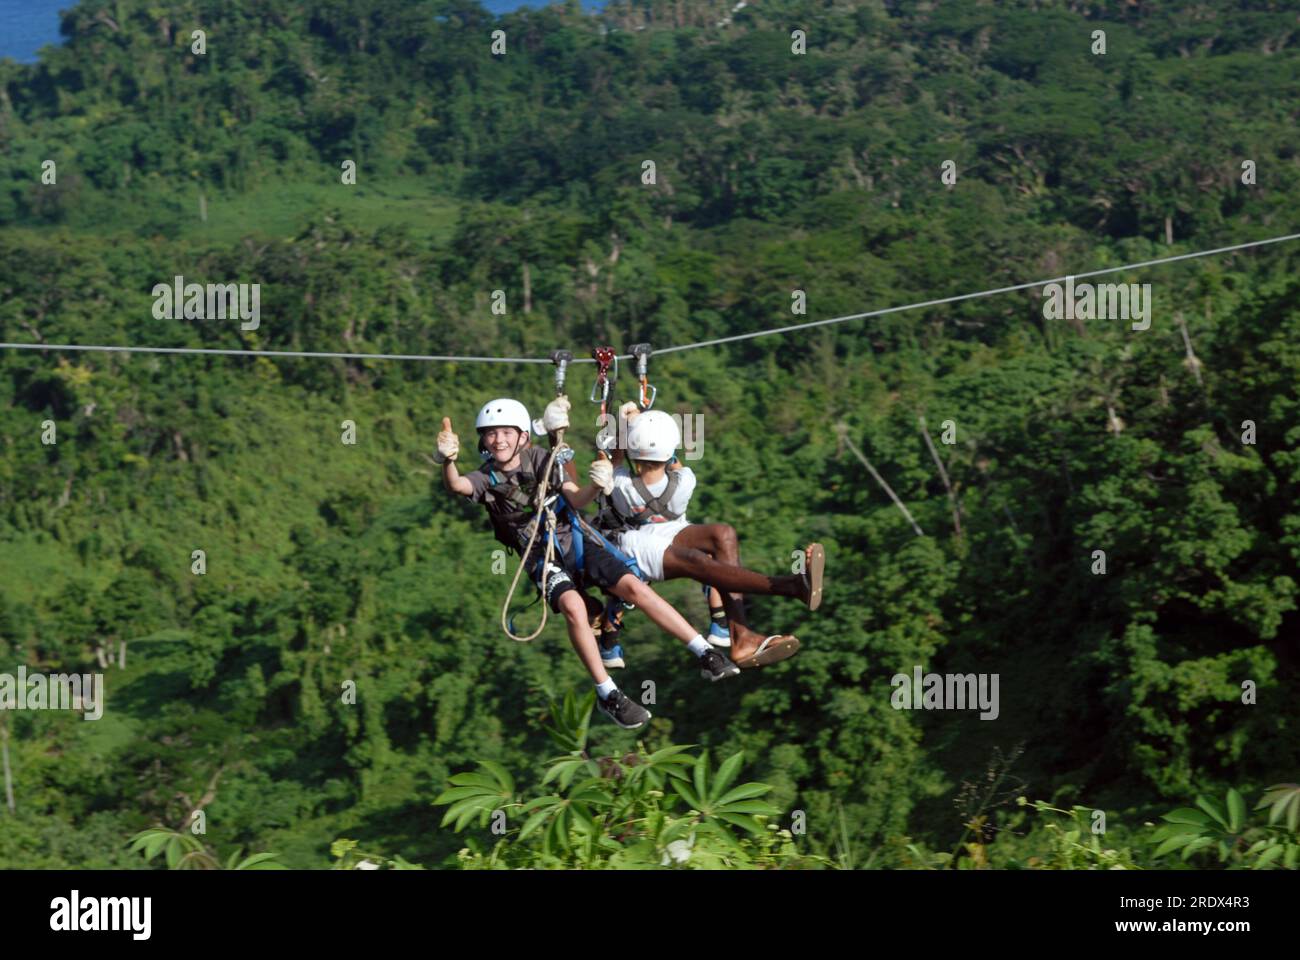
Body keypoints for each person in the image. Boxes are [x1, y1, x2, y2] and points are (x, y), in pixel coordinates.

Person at [436, 396, 762, 729]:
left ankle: (704, 651)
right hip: (540, 555)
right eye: (491, 434)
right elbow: (458, 485)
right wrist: (448, 461)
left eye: (506, 432)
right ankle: (608, 693)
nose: (498, 440)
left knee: (633, 586)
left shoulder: (542, 460)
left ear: (522, 435)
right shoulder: (485, 477)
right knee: (575, 607)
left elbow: (576, 499)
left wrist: (596, 484)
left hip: (576, 537)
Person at [589, 403, 823, 670]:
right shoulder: (685, 480)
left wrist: (625, 427)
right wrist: (641, 422)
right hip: (635, 543)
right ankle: (790, 586)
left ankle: (742, 636)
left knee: (722, 535)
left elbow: (614, 460)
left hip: (642, 531)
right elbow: (674, 462)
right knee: (698, 561)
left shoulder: (622, 486)